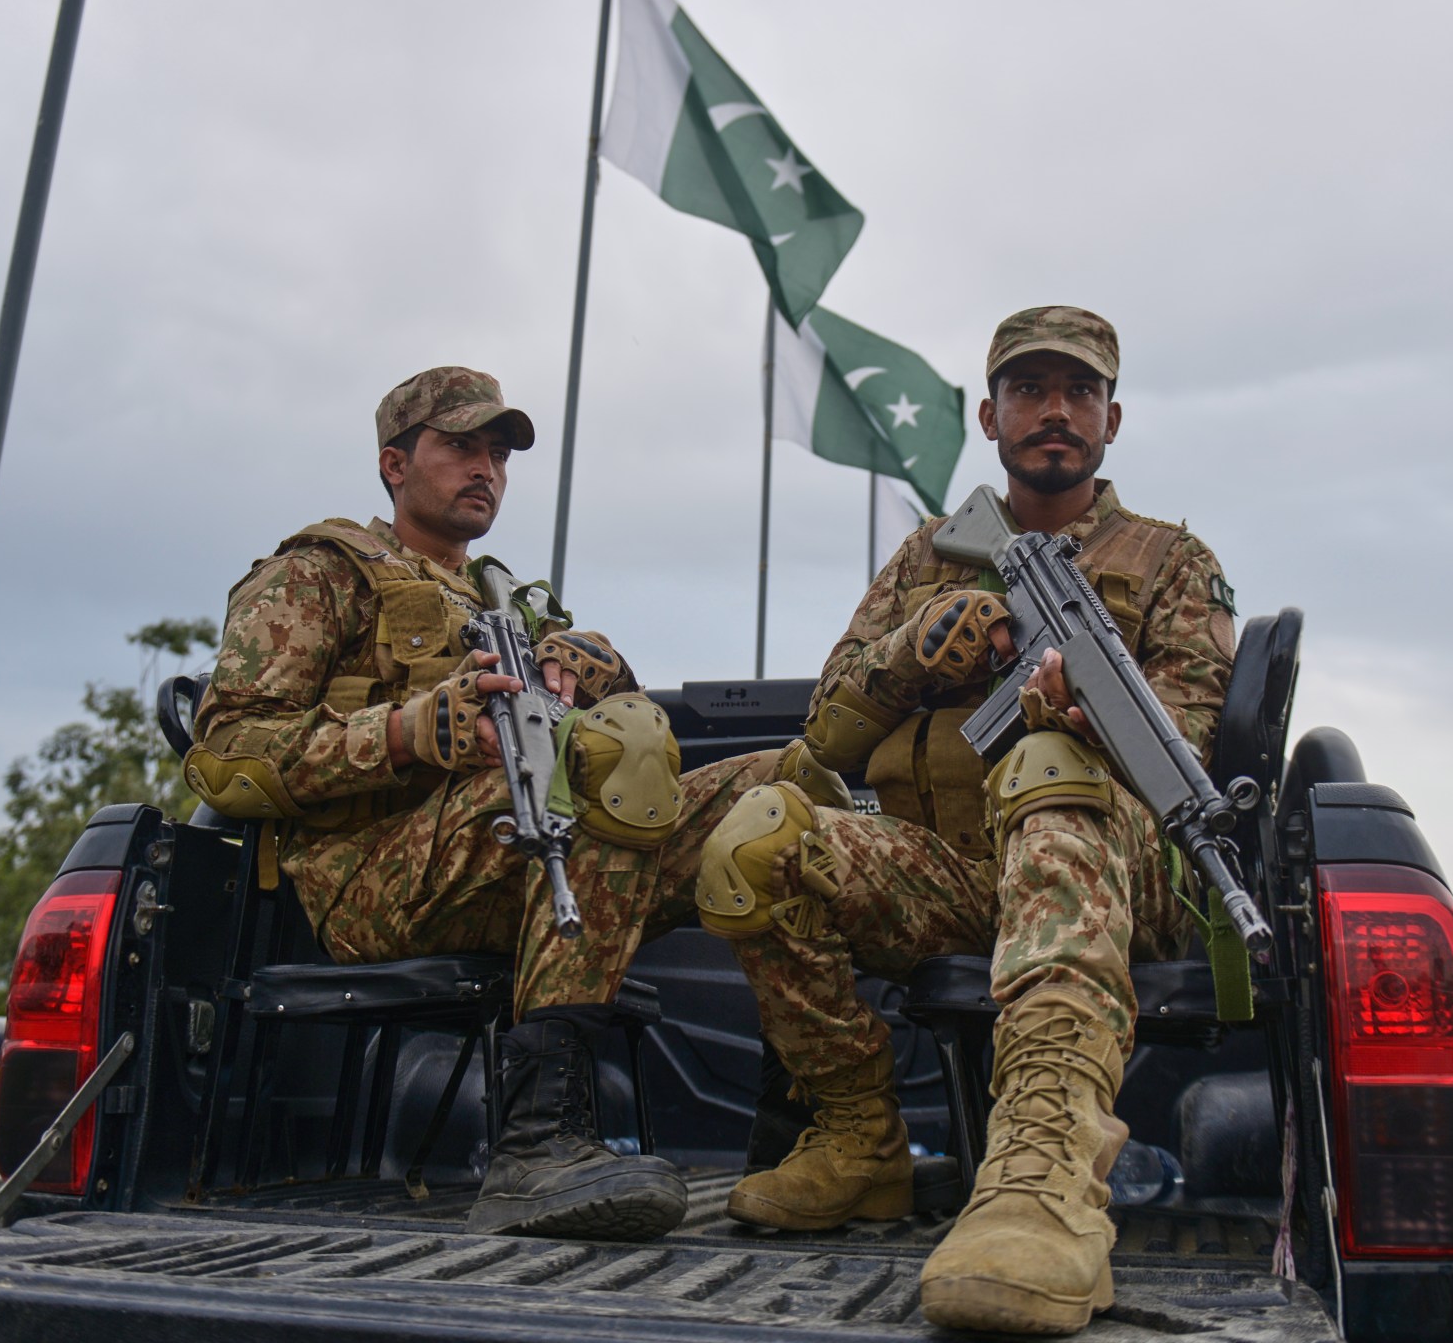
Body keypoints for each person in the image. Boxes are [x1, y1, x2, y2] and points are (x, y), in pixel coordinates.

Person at [186, 366, 829, 1242]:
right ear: (393, 464)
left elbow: (620, 719)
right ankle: (536, 1149)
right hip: (369, 876)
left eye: (497, 452)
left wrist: (587, 657)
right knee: (595, 791)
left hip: (508, 847)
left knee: (777, 794)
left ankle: (804, 1134)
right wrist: (408, 732)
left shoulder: (502, 598)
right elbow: (225, 757)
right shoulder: (319, 574)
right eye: (459, 447)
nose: (484, 468)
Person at [697, 308, 1238, 1335]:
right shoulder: (929, 557)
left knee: (1048, 768)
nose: (1055, 412)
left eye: (1078, 393)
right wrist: (914, 649)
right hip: (953, 869)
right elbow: (829, 722)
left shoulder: (1170, 559)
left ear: (1112, 419)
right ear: (990, 417)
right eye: (1031, 391)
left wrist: (1077, 711)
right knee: (759, 842)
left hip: (1119, 868)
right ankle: (858, 1143)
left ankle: (1044, 1188)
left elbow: (1193, 741)